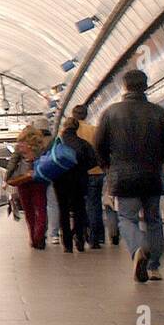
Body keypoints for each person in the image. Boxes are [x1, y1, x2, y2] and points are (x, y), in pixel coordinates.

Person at [95, 69, 164, 282]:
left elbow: (99, 144)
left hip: (123, 176)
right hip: (152, 174)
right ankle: (154, 268)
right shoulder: (158, 112)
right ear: (146, 86)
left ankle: (138, 248)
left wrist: (107, 164)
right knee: (153, 220)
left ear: (124, 86)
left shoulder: (110, 112)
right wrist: (163, 160)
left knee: (127, 218)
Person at [51, 117, 98, 253]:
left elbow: (47, 159)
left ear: (64, 128)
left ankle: (67, 244)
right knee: (79, 210)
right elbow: (94, 161)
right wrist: (82, 168)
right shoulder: (83, 144)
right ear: (76, 128)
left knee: (63, 211)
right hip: (79, 181)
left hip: (60, 181)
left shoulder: (56, 143)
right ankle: (80, 241)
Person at [7, 122, 49, 248]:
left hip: (32, 182)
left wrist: (9, 176)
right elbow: (12, 163)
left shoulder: (40, 151)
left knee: (35, 209)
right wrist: (7, 177)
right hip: (29, 182)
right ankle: (35, 236)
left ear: (29, 142)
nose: (19, 145)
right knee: (36, 209)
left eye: (22, 142)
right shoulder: (41, 149)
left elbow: (13, 162)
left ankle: (38, 236)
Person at [71, 104, 107, 248]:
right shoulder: (94, 130)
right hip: (97, 172)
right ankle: (96, 237)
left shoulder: (69, 132)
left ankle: (86, 235)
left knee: (81, 206)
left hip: (79, 173)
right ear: (86, 115)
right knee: (95, 205)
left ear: (73, 116)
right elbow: (101, 149)